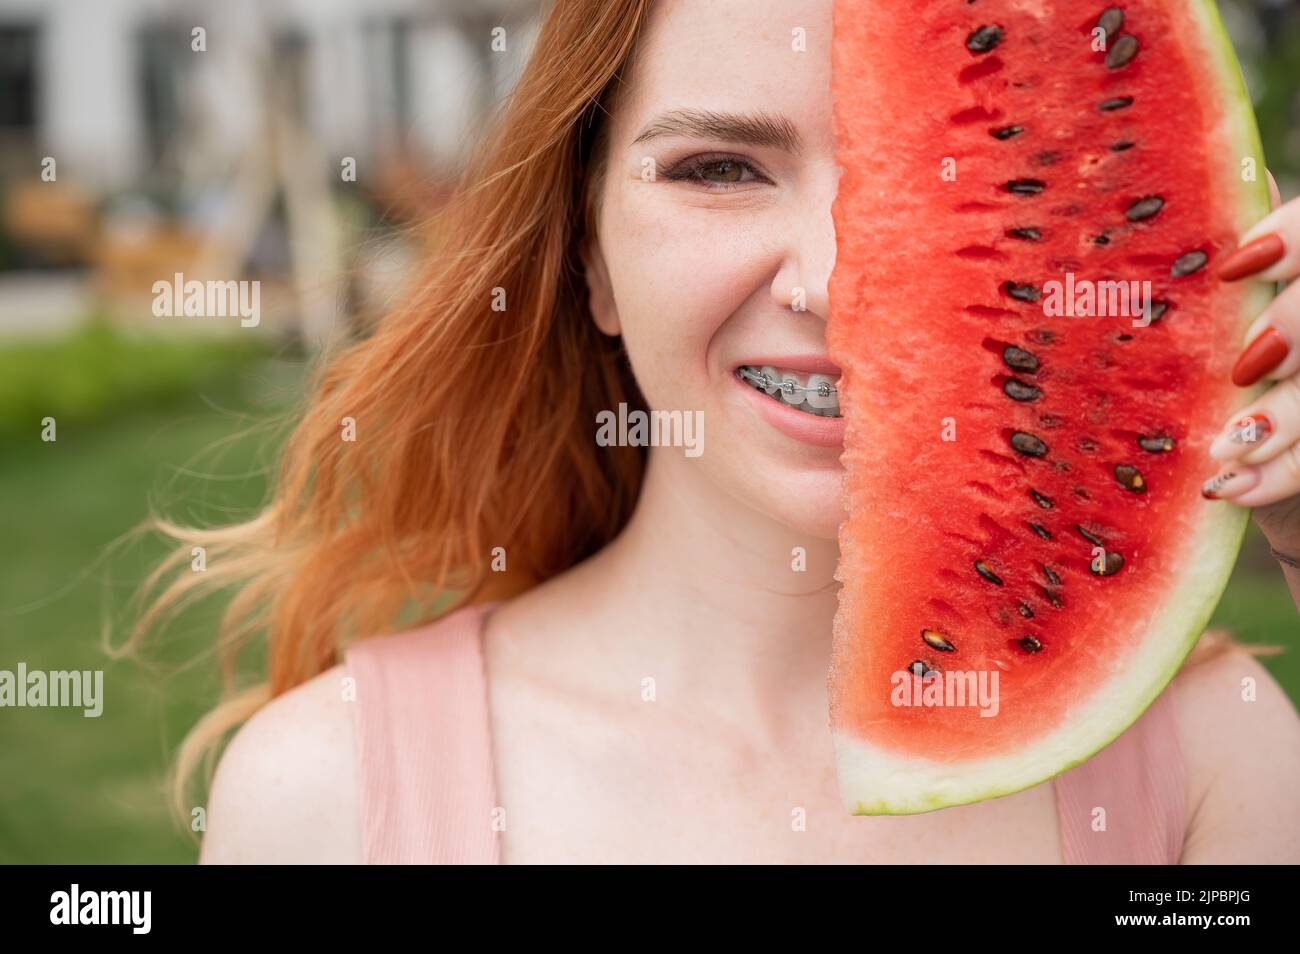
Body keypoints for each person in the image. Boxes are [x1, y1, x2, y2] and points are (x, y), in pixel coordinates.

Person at [158, 0, 1300, 863]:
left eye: (975, 182)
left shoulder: (1214, 755)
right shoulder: (325, 795)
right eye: (720, 170)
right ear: (590, 253)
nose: (836, 282)